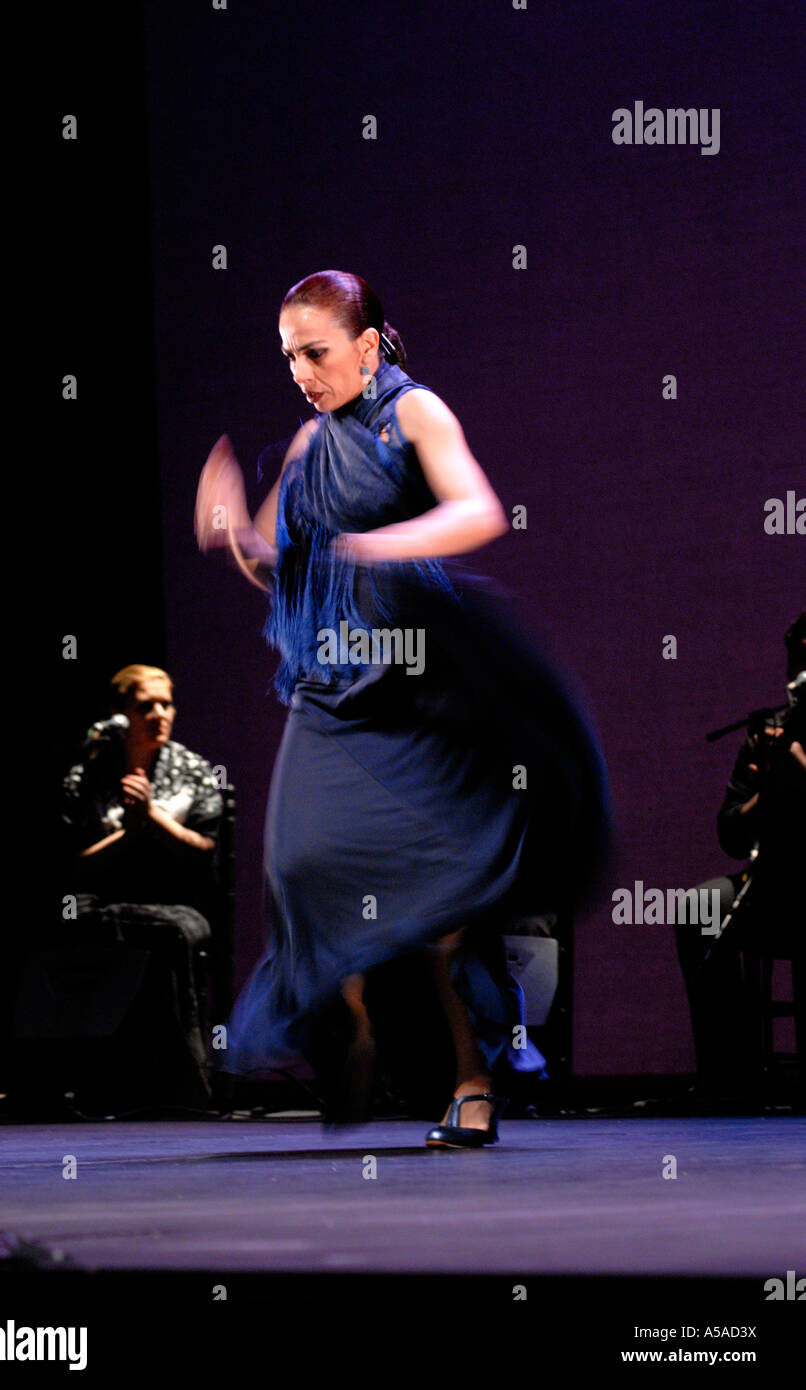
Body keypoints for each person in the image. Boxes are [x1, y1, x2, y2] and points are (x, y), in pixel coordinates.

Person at [196, 270, 611, 1145]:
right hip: (333, 687)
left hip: (420, 685)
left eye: (316, 352)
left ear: (368, 345)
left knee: (445, 907)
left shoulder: (413, 413)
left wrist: (377, 544)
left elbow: (476, 511)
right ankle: (350, 1026)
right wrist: (233, 529)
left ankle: (472, 1085)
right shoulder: (313, 443)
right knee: (300, 867)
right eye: (288, 358)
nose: (302, 372)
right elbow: (279, 564)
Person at [61, 664, 224, 1101]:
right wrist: (128, 834)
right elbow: (72, 865)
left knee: (177, 929)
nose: (159, 714)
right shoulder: (89, 773)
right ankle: (80, 1080)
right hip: (103, 901)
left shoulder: (191, 768)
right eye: (145, 706)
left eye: (166, 704)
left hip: (174, 900)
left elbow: (207, 850)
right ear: (120, 714)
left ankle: (191, 1078)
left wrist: (151, 817)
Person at [674, 610, 806, 1105]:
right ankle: (728, 1077)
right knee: (699, 906)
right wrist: (767, 791)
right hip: (770, 885)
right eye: (797, 656)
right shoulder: (767, 733)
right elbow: (729, 832)